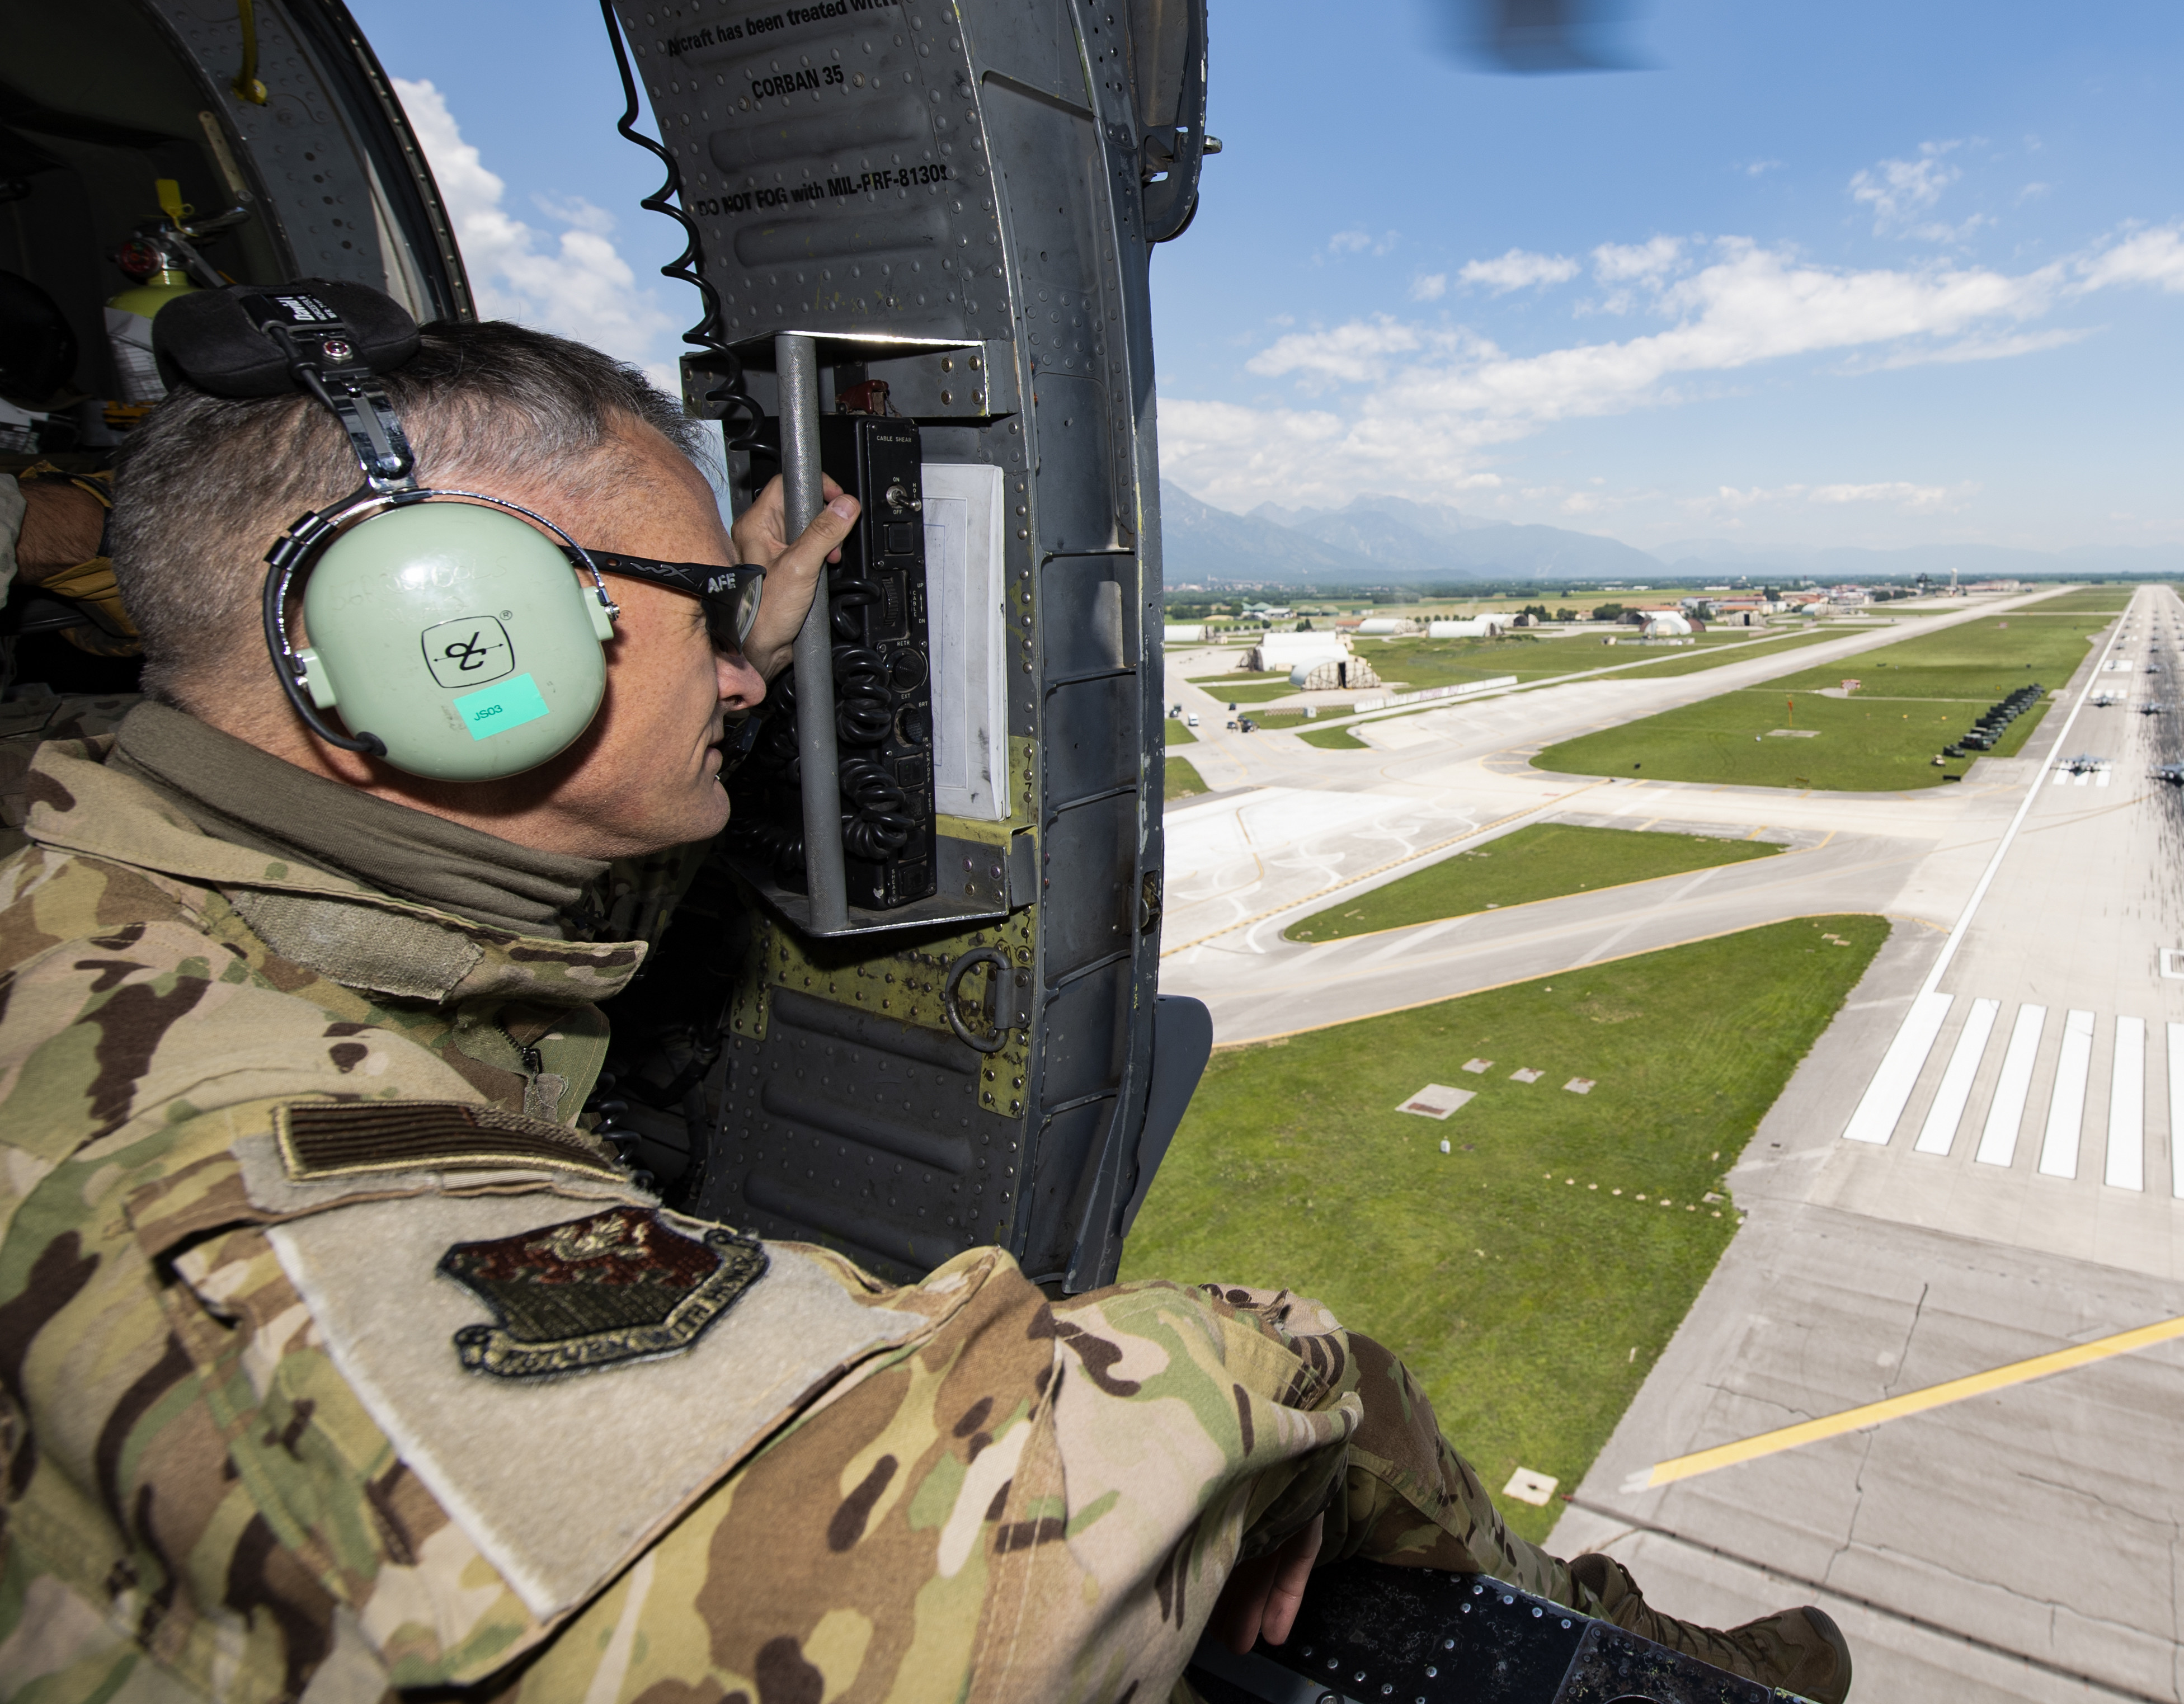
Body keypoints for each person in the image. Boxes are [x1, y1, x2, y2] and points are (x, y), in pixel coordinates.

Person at [0, 315, 1850, 1702]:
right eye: (700, 604)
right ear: (461, 640)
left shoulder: (92, 841)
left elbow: (465, 905)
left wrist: (725, 661)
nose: (741, 668)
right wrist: (1300, 1378)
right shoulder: (234, 1185)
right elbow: (930, 1597)